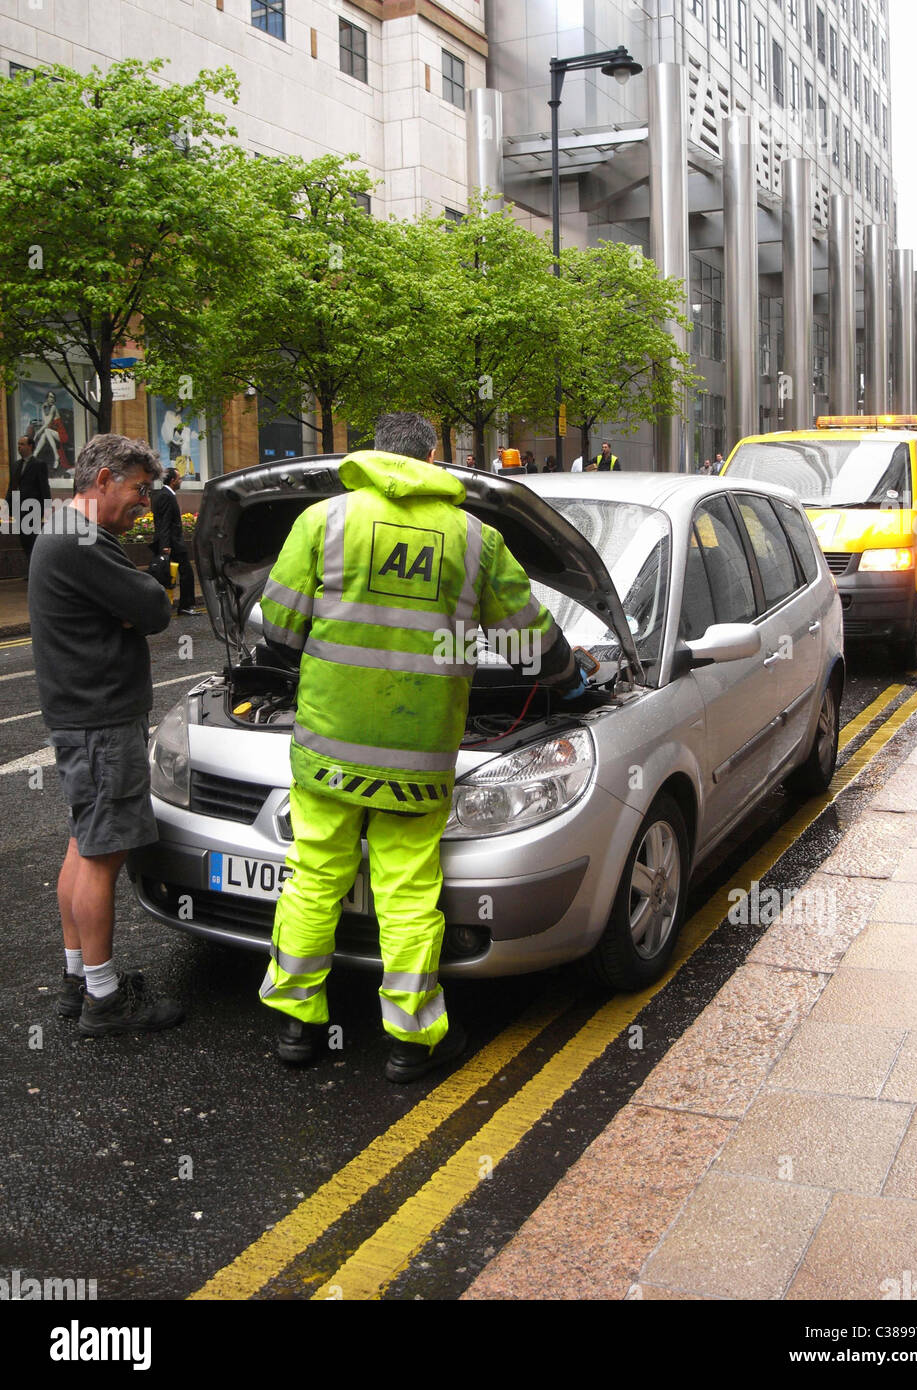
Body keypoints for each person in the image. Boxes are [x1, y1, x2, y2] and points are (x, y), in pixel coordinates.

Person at [258, 412, 585, 1081]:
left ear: (376, 453)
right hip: (417, 758)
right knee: (407, 893)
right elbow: (530, 638)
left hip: (327, 749)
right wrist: (568, 673)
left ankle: (298, 1026)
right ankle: (413, 1041)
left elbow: (278, 636)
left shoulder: (324, 521)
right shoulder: (475, 538)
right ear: (435, 457)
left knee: (315, 879)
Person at [28, 434, 183, 1036]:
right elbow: (153, 607)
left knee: (81, 845)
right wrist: (141, 598)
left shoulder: (62, 532)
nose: (145, 503)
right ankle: (104, 996)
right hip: (100, 721)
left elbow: (137, 607)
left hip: (78, 717)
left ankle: (77, 977)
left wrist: (132, 603)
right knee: (101, 856)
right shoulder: (87, 540)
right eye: (139, 490)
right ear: (103, 480)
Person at [152, 466, 203, 613]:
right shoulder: (166, 496)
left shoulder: (166, 494)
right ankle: (185, 605)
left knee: (174, 574)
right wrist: (165, 546)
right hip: (173, 544)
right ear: (173, 480)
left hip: (172, 543)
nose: (181, 481)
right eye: (179, 478)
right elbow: (164, 523)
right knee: (185, 573)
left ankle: (182, 605)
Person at [6, 436, 51, 566]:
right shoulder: (16, 465)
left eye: (22, 444)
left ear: (30, 446)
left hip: (33, 508)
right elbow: (12, 486)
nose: (19, 447)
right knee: (23, 539)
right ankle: (31, 567)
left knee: (32, 539)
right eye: (18, 444)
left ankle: (36, 568)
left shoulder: (38, 464)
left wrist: (46, 508)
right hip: (18, 508)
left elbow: (44, 486)